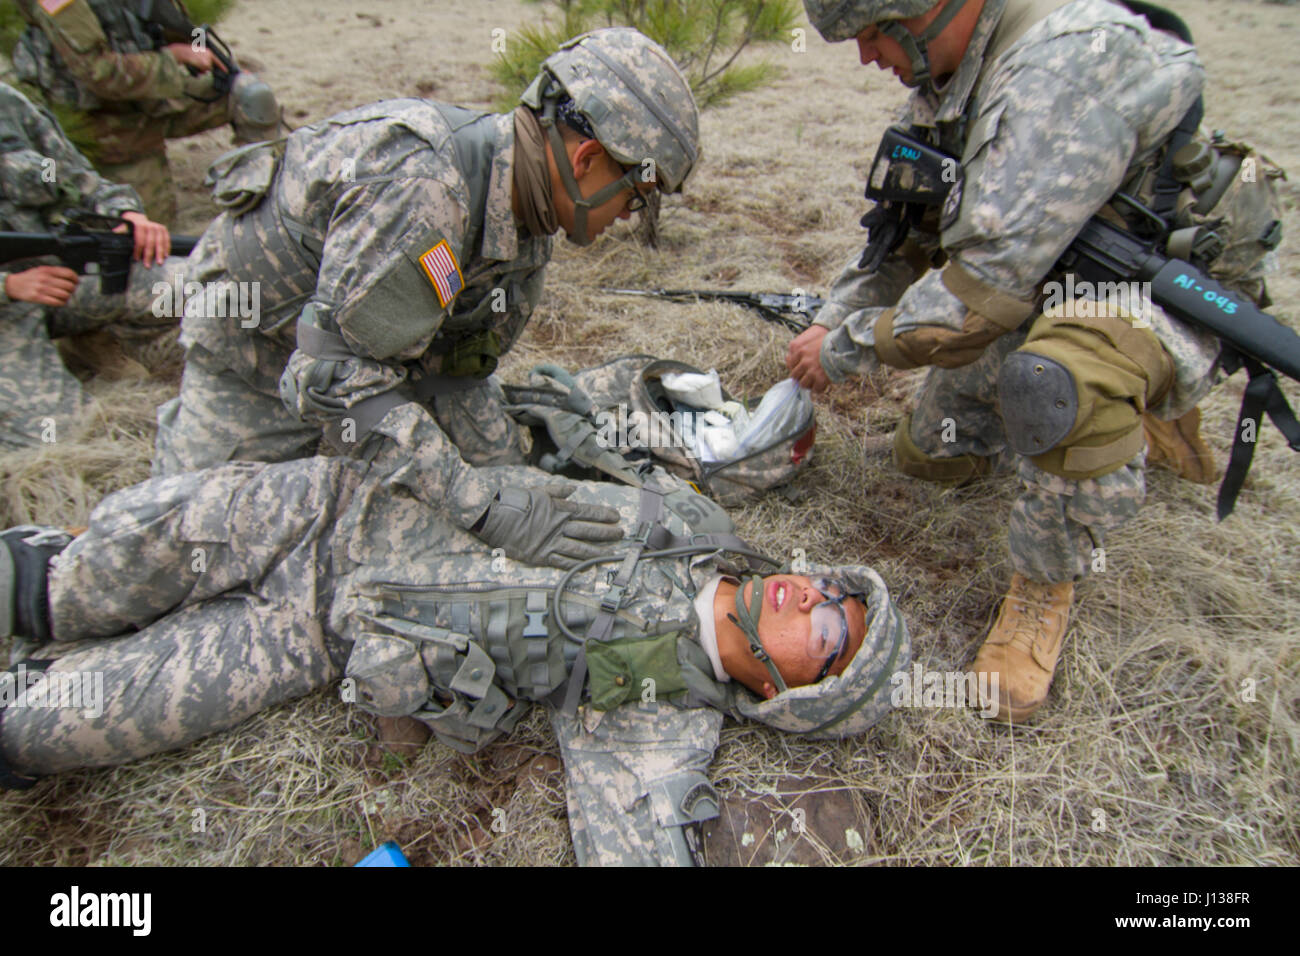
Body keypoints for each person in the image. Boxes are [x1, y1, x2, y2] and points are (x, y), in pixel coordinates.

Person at [0, 457, 907, 866]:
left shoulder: (662, 714)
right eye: (828, 586)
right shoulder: (690, 527)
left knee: (42, 726)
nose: (809, 596)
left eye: (830, 634)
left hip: (309, 639)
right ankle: (43, 575)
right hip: (326, 506)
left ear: (789, 698)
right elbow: (573, 427)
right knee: (69, 585)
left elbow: (634, 840)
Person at [786, 0, 1283, 720]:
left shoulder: (1062, 66)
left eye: (871, 35)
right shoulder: (949, 80)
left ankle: (1044, 590)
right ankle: (1127, 408)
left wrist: (843, 349)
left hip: (1153, 299)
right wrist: (835, 313)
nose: (867, 58)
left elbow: (975, 300)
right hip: (1045, 288)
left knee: (1055, 387)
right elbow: (905, 236)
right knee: (933, 454)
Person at [149, 27, 701, 575]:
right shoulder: (428, 189)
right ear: (586, 161)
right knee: (195, 553)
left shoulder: (527, 222)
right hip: (254, 355)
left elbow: (454, 368)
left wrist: (512, 474)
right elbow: (334, 381)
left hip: (364, 356)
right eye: (636, 196)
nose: (630, 216)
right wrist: (481, 506)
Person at [0, 81, 180, 451]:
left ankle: (89, 336)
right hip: (8, 312)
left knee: (203, 287)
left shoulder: (8, 104)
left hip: (60, 282)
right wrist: (8, 287)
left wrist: (125, 213)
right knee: (59, 441)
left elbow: (78, 179)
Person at [10, 0, 283, 226]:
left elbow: (183, 29)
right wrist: (175, 57)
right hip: (104, 126)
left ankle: (260, 208)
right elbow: (99, 73)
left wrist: (206, 55)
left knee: (250, 95)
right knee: (148, 235)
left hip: (152, 98)